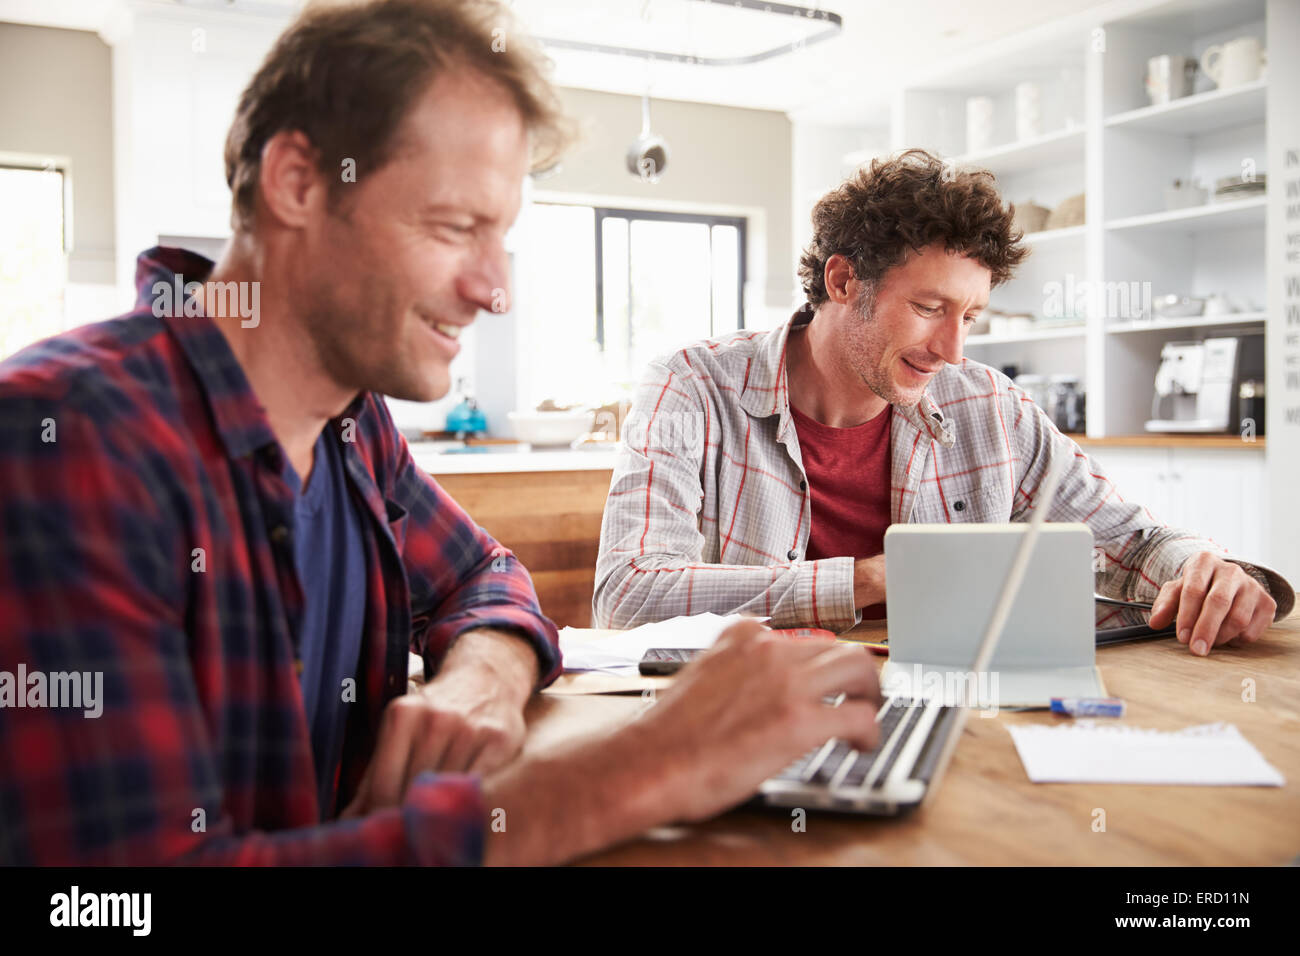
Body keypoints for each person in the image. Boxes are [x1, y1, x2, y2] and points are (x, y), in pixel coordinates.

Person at [0, 0, 882, 866]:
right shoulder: (64, 441)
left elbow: (485, 575)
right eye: (455, 227)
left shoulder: (351, 421)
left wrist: (482, 678)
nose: (495, 290)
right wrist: (650, 765)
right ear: (297, 183)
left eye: (499, 236)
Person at [593, 149, 1294, 652]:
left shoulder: (989, 406)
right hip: (743, 719)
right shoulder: (692, 388)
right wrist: (870, 580)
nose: (954, 350)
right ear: (842, 281)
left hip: (954, 711)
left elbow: (1132, 545)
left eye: (972, 317)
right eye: (929, 307)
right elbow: (628, 595)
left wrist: (1210, 573)